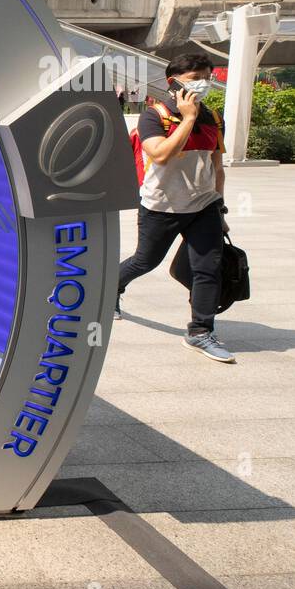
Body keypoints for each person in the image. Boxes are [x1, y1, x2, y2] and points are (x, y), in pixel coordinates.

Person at [117, 53, 233, 362]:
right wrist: (189, 117)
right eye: (196, 79)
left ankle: (200, 332)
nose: (204, 84)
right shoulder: (154, 116)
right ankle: (112, 288)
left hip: (204, 206)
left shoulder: (214, 117)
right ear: (174, 82)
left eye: (207, 77)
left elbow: (217, 167)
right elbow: (161, 154)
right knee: (145, 261)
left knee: (207, 269)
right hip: (161, 206)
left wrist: (219, 208)